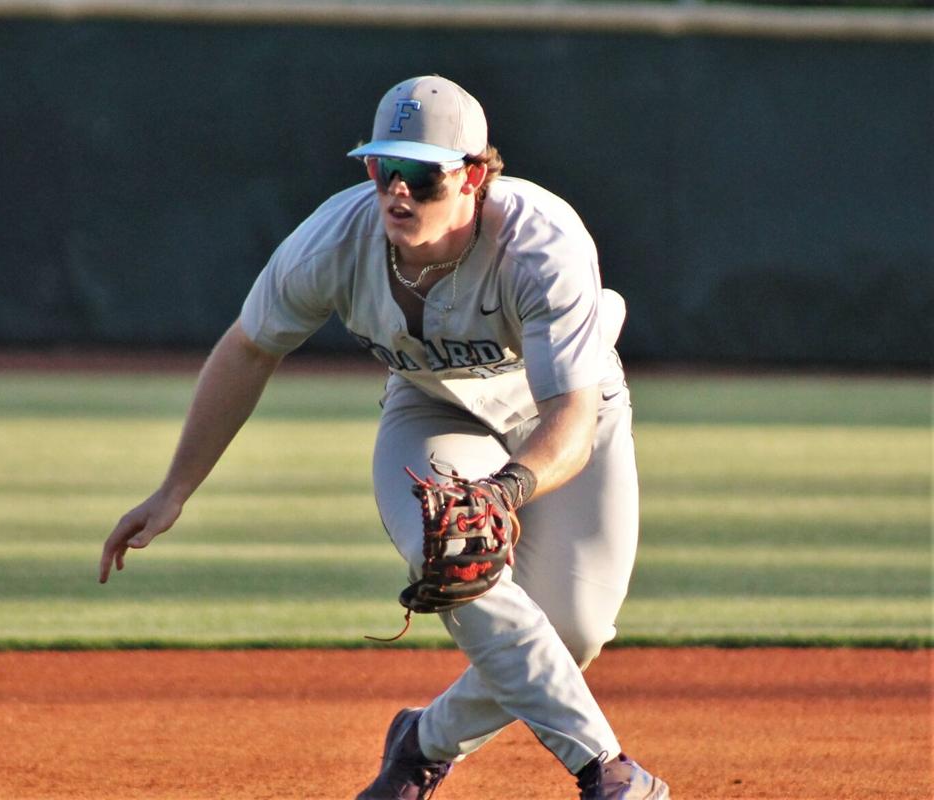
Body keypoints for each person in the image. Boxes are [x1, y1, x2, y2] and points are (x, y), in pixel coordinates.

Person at [99, 75, 669, 800]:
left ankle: (421, 742)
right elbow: (248, 349)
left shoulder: (540, 243)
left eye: (422, 175)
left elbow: (570, 422)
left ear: (473, 176)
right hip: (432, 413)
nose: (398, 192)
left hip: (563, 413)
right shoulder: (335, 241)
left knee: (578, 633)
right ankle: (609, 774)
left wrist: (503, 492)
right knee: (457, 554)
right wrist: (175, 488)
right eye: (382, 169)